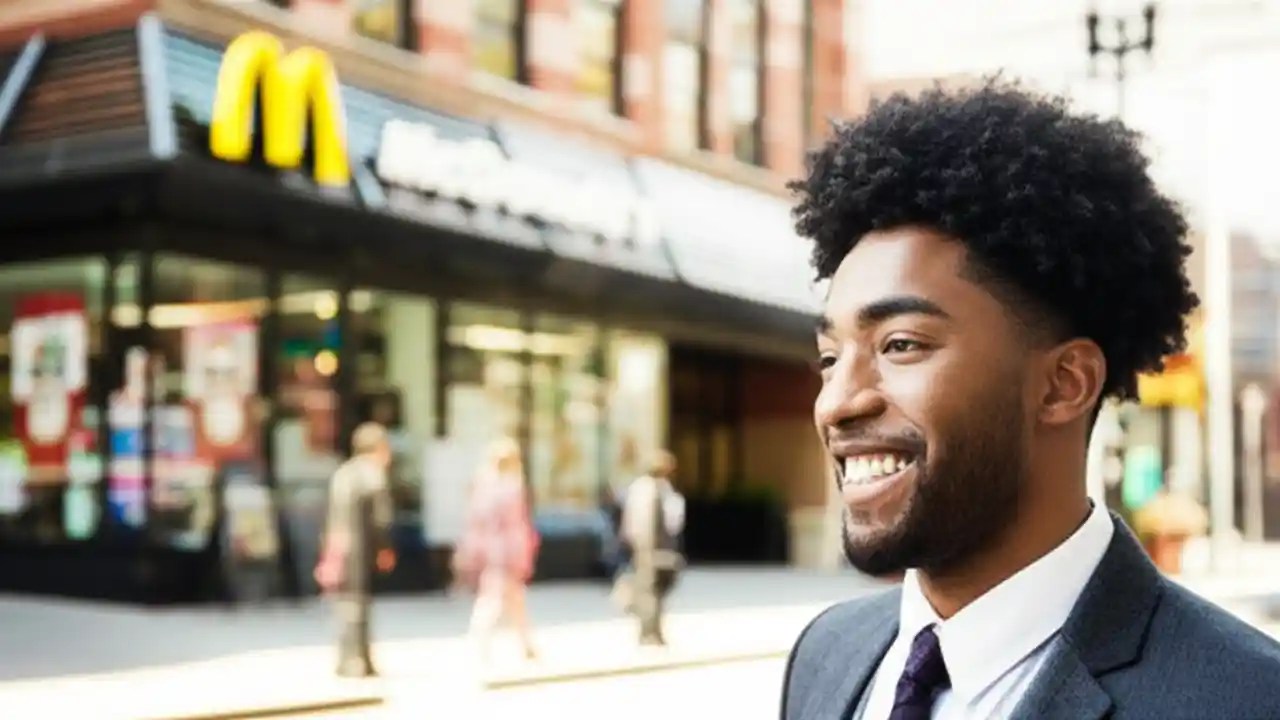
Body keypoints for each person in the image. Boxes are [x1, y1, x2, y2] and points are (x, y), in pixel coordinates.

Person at [780, 81, 1280, 720]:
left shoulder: (1246, 699)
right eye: (830, 357)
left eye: (900, 345)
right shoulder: (827, 655)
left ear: (1065, 384)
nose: (836, 404)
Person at [314, 422, 396, 678]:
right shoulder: (372, 474)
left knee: (344, 606)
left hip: (338, 546)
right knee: (359, 606)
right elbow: (382, 519)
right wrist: (385, 548)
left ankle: (346, 659)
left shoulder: (342, 474)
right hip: (361, 548)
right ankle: (360, 660)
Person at [453, 437, 539, 664]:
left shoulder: (482, 487)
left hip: (490, 551)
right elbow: (517, 525)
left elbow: (475, 523)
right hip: (507, 553)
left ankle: (527, 645)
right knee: (493, 600)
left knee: (513, 599)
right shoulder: (511, 487)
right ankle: (479, 645)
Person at [619, 450, 685, 646]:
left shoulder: (654, 488)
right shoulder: (650, 489)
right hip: (650, 547)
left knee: (654, 590)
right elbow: (661, 522)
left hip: (653, 547)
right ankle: (649, 632)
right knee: (649, 590)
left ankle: (652, 630)